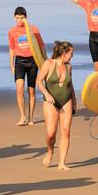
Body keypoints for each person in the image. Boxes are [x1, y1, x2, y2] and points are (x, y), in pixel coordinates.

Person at [37, 41, 77, 170]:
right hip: (51, 101)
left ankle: (62, 163)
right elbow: (39, 81)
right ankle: (50, 151)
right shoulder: (48, 63)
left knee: (65, 131)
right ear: (64, 53)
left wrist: (74, 101)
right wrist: (46, 94)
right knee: (51, 133)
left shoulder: (69, 67)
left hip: (66, 100)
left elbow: (70, 85)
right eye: (71, 53)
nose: (72, 56)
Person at [7, 7, 41, 126]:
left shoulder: (33, 30)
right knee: (19, 89)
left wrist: (45, 63)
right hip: (19, 62)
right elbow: (11, 49)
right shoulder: (12, 31)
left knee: (31, 91)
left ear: (26, 17)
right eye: (17, 18)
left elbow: (40, 46)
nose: (20, 20)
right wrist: (11, 65)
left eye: (22, 18)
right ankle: (22, 116)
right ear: (14, 18)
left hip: (33, 62)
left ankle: (31, 118)